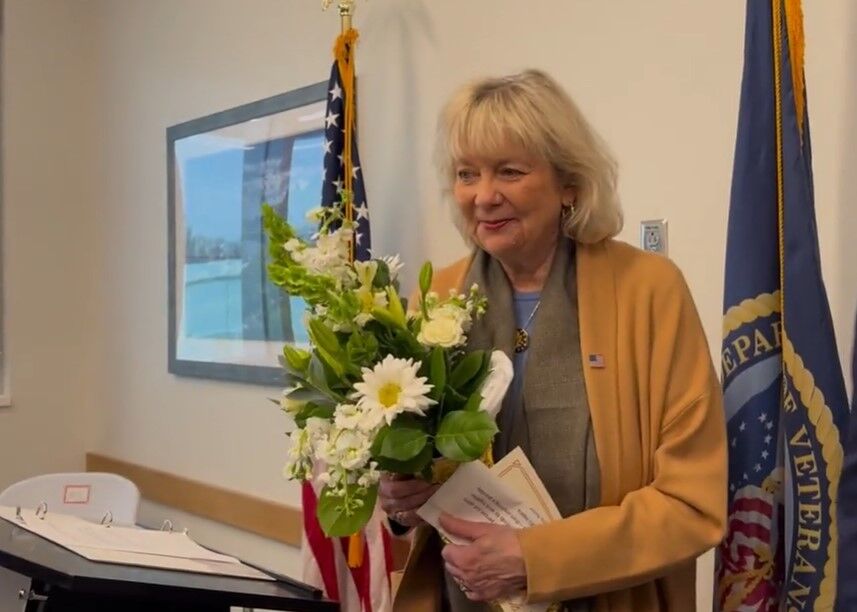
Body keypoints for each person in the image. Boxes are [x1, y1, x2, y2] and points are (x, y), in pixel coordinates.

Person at [380, 69, 727, 612]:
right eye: (467, 173)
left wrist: (535, 558)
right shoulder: (438, 297)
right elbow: (422, 480)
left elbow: (693, 503)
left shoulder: (650, 292)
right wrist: (401, 501)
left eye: (510, 171)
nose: (484, 196)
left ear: (569, 182)